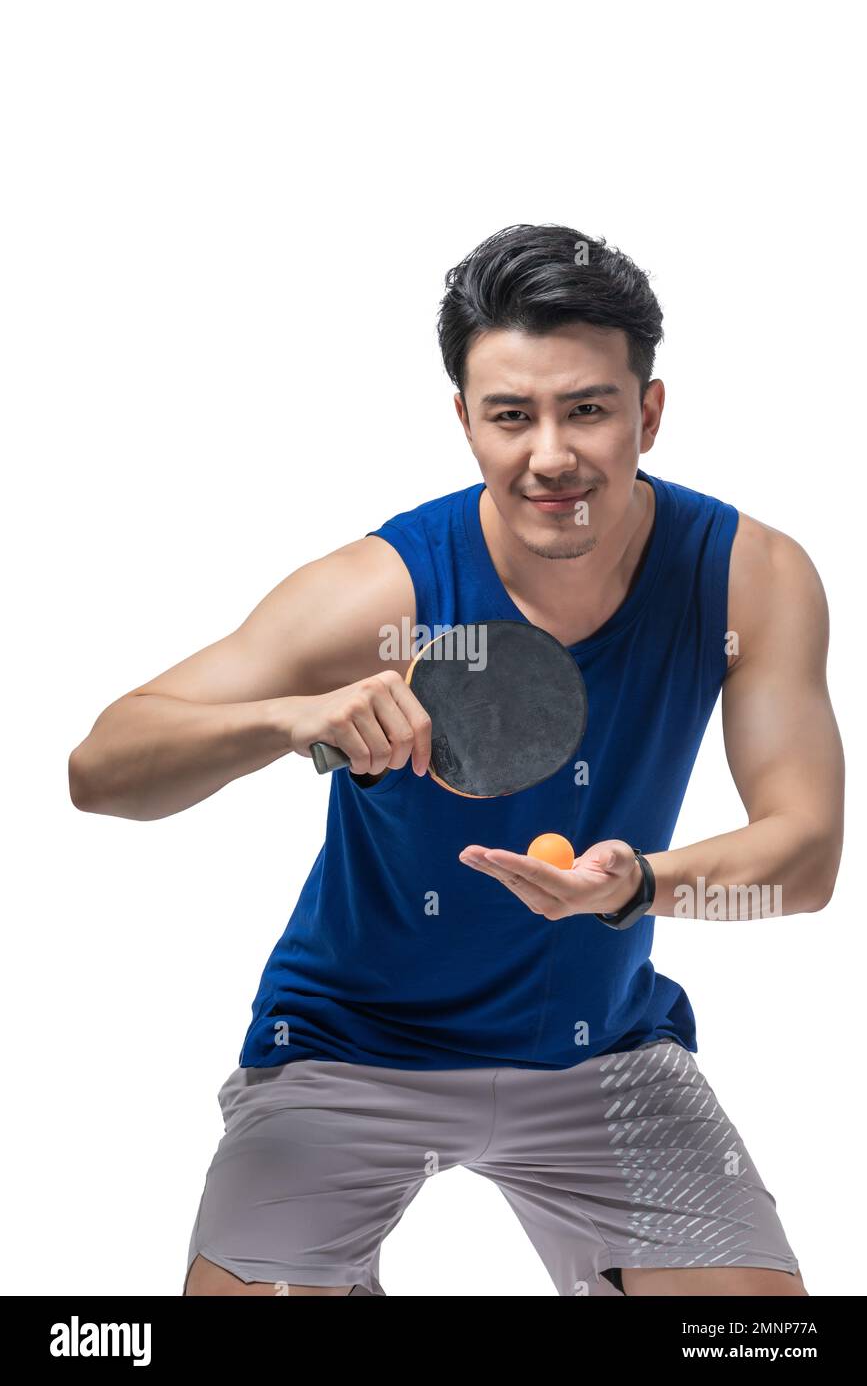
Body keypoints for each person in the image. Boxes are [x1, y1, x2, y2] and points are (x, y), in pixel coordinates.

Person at [69, 223, 843, 1297]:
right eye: (511, 416)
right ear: (466, 422)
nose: (552, 455)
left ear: (647, 413)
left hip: (602, 1050)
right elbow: (101, 766)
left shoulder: (747, 577)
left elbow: (804, 864)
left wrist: (635, 886)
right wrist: (289, 718)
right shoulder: (383, 589)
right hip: (347, 1048)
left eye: (588, 408)